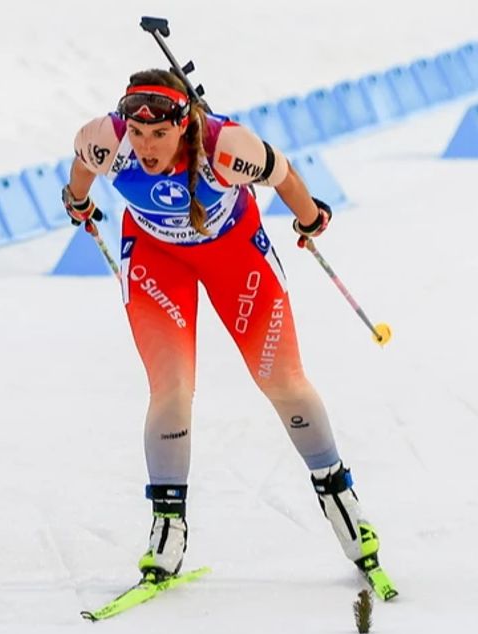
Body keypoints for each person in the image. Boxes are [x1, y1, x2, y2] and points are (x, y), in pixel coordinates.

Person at [61, 68, 397, 600]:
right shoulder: (106, 139)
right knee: (170, 389)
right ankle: (167, 529)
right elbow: (82, 167)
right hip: (156, 259)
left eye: (159, 135)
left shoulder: (226, 148)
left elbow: (282, 172)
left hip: (235, 259)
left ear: (183, 125)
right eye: (138, 134)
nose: (146, 147)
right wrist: (77, 200)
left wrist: (309, 219)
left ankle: (343, 506)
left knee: (283, 383)